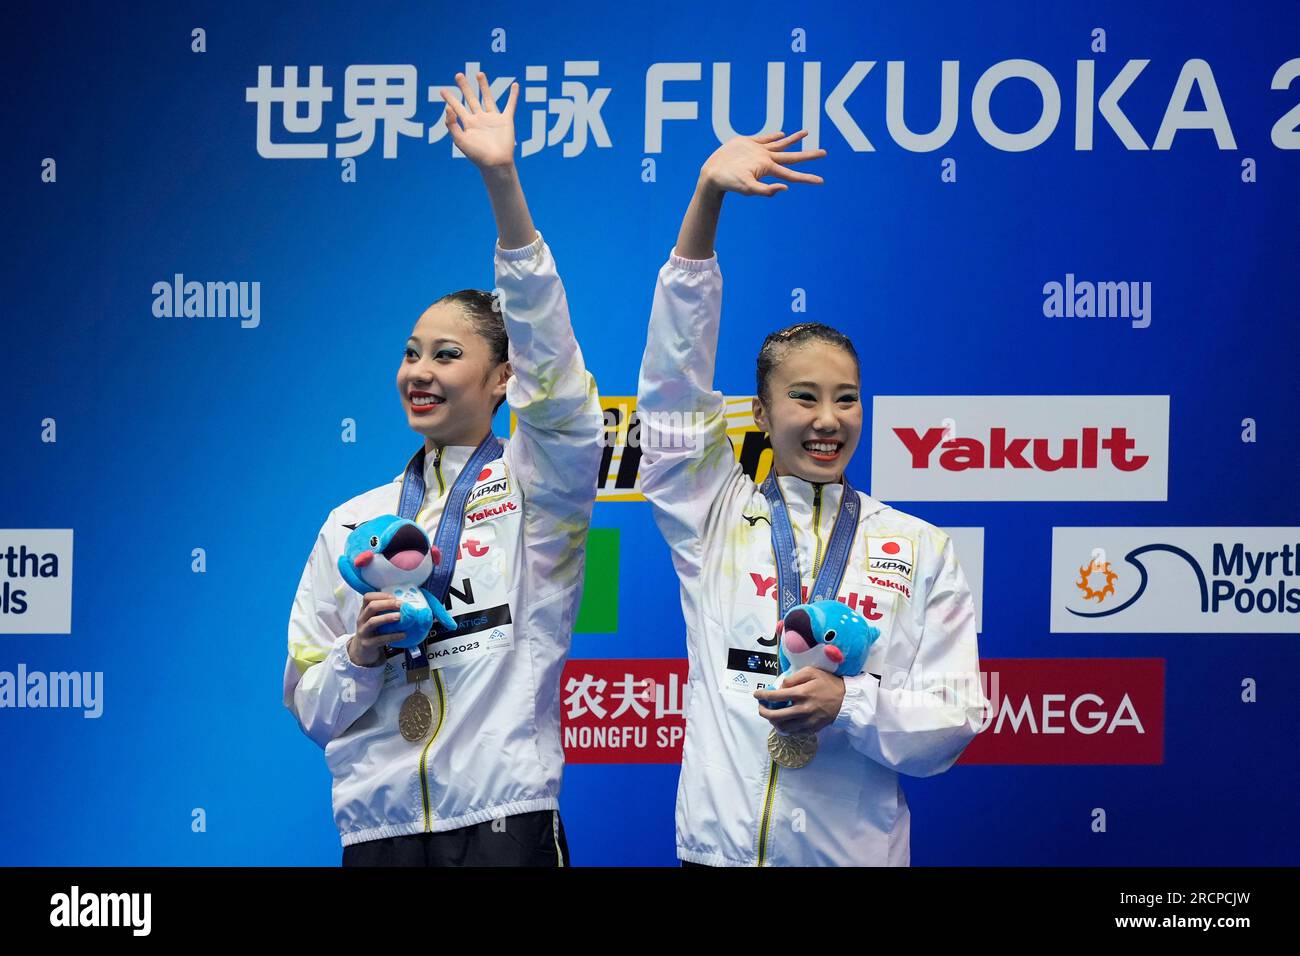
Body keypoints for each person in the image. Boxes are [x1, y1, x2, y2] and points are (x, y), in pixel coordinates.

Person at [635, 130, 988, 866]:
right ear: (759, 414)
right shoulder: (712, 512)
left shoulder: (919, 547)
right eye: (804, 397)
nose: (829, 420)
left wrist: (851, 705)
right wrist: (706, 205)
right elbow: (673, 386)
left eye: (847, 400)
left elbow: (954, 720)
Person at [283, 71, 604, 866]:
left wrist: (502, 184)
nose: (418, 371)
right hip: (379, 835)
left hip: (506, 824)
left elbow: (558, 379)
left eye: (447, 355)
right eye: (410, 353)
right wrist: (358, 658)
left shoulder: (541, 484)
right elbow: (310, 708)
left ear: (505, 379)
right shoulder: (351, 525)